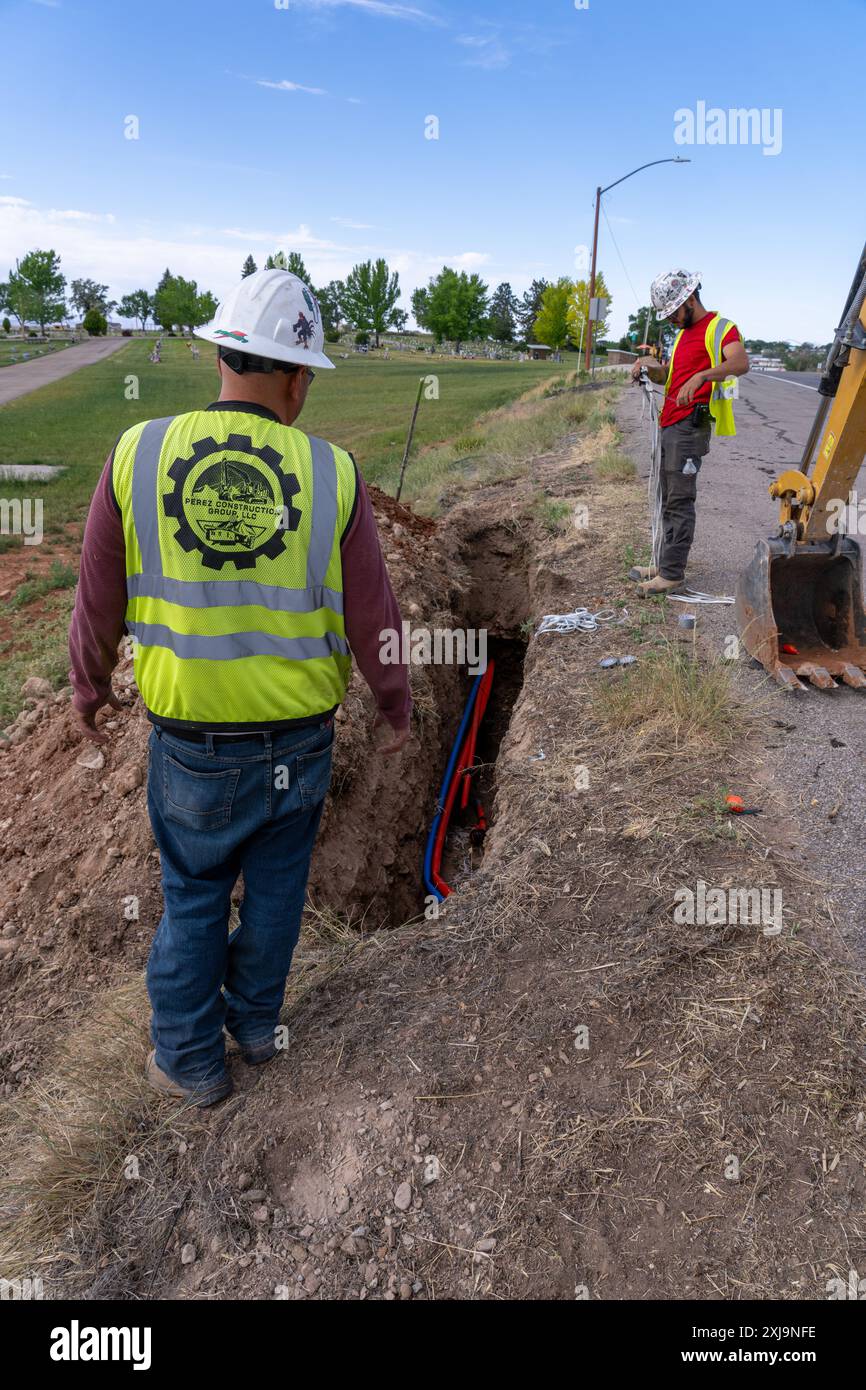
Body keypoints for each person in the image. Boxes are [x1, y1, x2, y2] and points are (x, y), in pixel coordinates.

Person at [69, 268, 411, 1106]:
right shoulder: (332, 472)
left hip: (192, 746)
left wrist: (87, 689)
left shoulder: (138, 452)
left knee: (193, 896)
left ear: (221, 354)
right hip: (299, 741)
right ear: (295, 375)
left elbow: (96, 595)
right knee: (278, 892)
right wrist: (395, 697)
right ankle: (255, 1026)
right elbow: (374, 611)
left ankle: (189, 1060)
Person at [630, 270, 749, 595]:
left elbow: (740, 363)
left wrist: (702, 378)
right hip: (669, 423)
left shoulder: (720, 328)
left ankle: (672, 574)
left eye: (672, 313)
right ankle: (664, 561)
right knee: (666, 498)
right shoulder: (682, 334)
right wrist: (648, 368)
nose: (670, 320)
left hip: (689, 429)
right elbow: (670, 376)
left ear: (689, 300)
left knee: (680, 501)